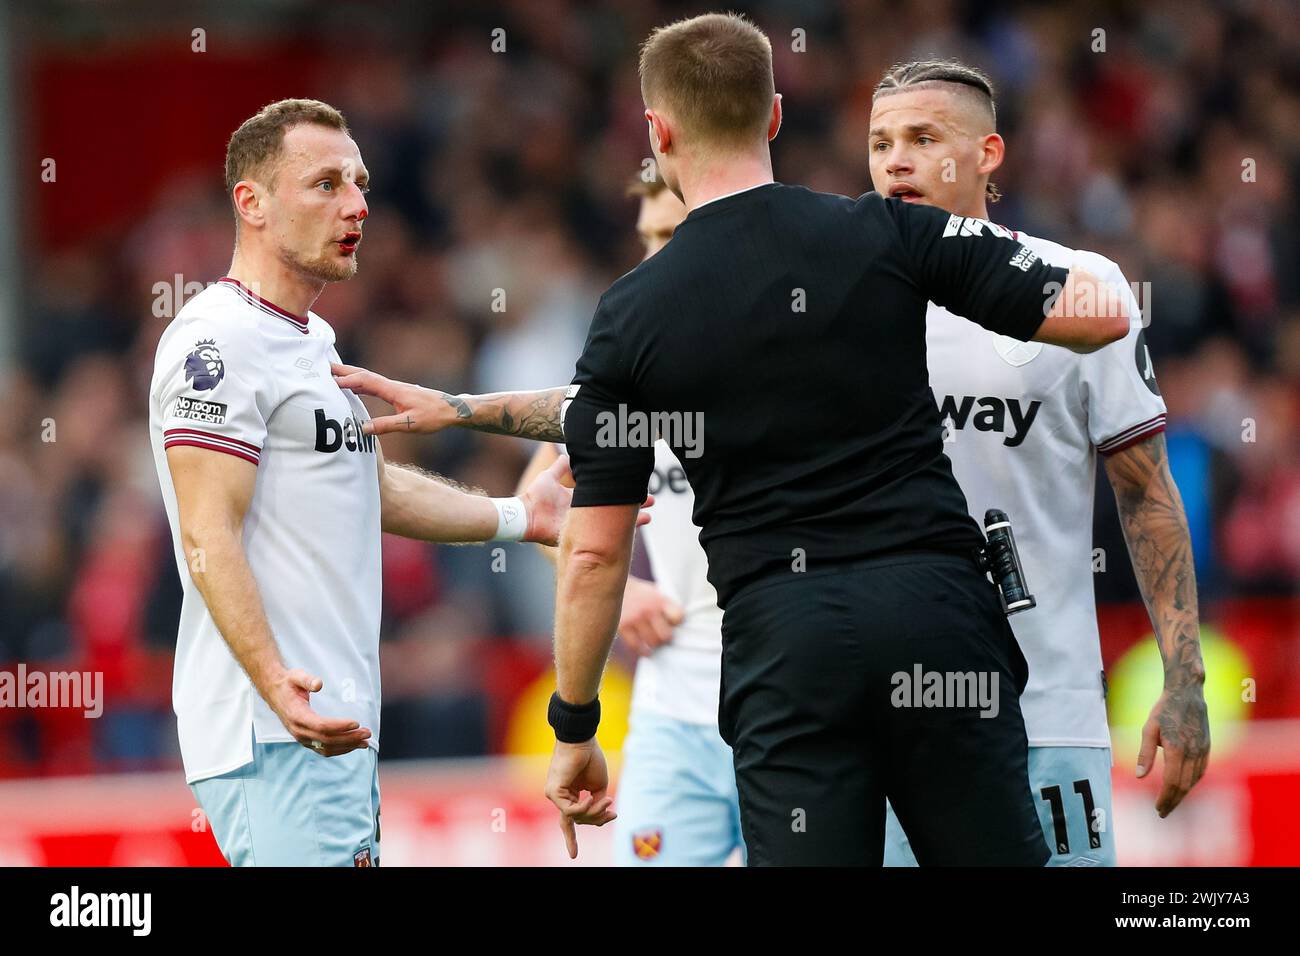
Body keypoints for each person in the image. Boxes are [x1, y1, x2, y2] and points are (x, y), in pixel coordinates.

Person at [337, 13, 1128, 866]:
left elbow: (597, 554)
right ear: (776, 116)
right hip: (937, 624)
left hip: (788, 654)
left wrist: (574, 725)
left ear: (658, 131)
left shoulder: (634, 314)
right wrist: (995, 255)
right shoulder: (884, 233)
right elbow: (1100, 313)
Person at [147, 98, 615, 867]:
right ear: (251, 202)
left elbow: (365, 488)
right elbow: (206, 533)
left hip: (327, 725)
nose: (358, 204)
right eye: (326, 183)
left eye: (360, 183)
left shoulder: (308, 343)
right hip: (273, 727)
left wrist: (516, 515)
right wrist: (274, 682)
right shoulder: (217, 340)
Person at [338, 173, 745, 866]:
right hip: (671, 708)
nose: (655, 259)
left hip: (787, 701)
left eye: (672, 237)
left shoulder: (792, 360)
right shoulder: (637, 374)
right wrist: (623, 597)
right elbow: (544, 497)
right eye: (646, 239)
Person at [866, 59, 1209, 867]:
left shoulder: (1082, 291)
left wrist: (1185, 681)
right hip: (882, 722)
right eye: (881, 143)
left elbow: (1146, 493)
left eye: (923, 137)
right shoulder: (835, 300)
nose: (897, 160)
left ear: (988, 154)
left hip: (1047, 713)